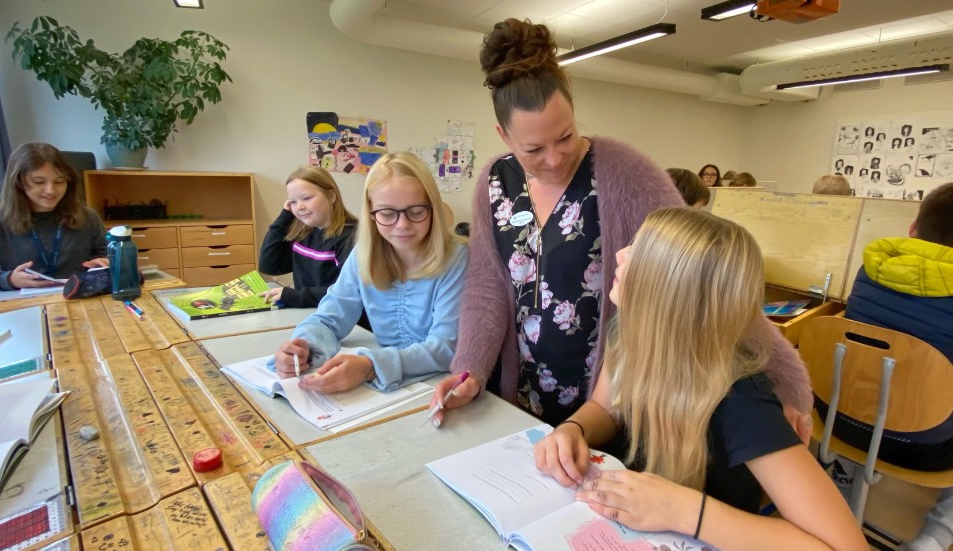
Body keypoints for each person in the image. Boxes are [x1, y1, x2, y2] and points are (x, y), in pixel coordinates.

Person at [429, 18, 813, 437]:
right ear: (503, 135)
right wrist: (470, 370)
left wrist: (787, 386)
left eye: (565, 136)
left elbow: (703, 276)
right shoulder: (495, 184)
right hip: (523, 398)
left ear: (574, 113)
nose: (555, 159)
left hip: (611, 403)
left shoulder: (625, 175)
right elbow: (486, 288)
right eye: (534, 149)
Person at [533, 208, 867, 551]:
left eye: (638, 249)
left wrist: (683, 510)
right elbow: (605, 407)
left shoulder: (741, 397)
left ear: (669, 288)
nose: (619, 253)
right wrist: (574, 429)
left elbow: (847, 546)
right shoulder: (629, 329)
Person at [271, 152, 468, 394]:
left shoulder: (457, 259)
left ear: (433, 208)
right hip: (388, 390)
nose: (402, 225)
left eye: (416, 211)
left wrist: (371, 365)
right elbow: (328, 317)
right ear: (371, 214)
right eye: (387, 213)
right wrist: (302, 347)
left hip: (444, 387)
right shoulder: (362, 255)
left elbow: (446, 347)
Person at [844, 182, 953, 551]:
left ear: (913, 228)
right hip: (922, 449)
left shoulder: (869, 269)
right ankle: (934, 540)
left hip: (843, 423)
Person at [0, 142, 108, 292]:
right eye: (39, 182)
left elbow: (108, 263)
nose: (50, 190)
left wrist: (104, 266)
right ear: (19, 182)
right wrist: (9, 280)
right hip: (20, 306)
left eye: (59, 181)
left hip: (77, 299)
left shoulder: (88, 217)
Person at [258, 166, 357, 308]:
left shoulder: (351, 235)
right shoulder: (303, 232)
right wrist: (285, 216)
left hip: (338, 316)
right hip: (309, 311)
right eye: (293, 202)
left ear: (332, 196)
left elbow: (348, 290)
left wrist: (294, 296)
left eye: (306, 198)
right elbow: (269, 265)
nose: (299, 207)